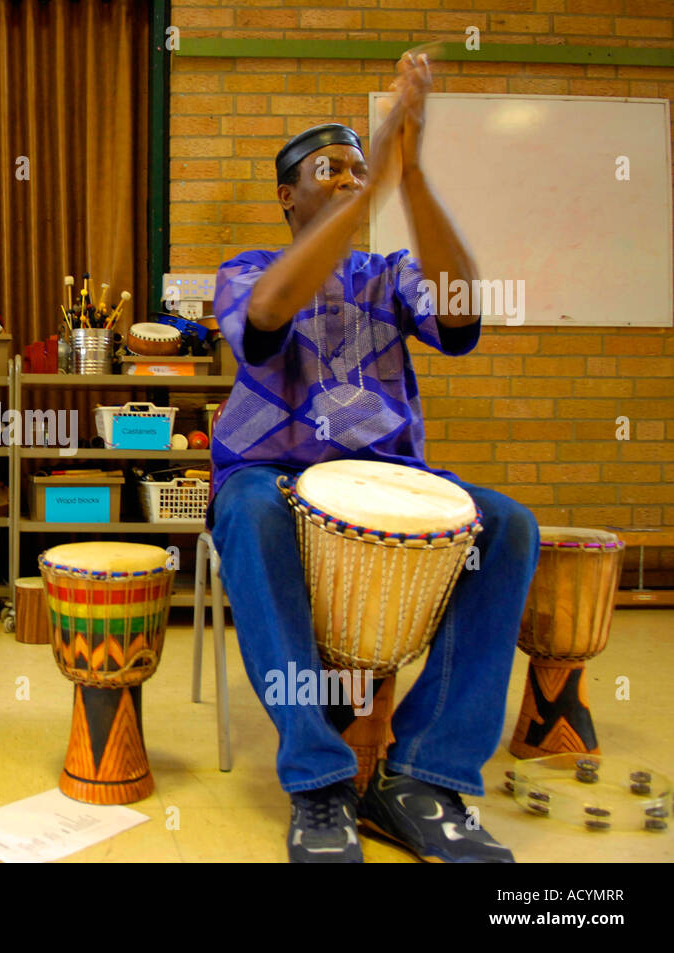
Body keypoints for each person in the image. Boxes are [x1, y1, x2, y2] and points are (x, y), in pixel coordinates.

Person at [209, 53, 539, 862]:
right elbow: (266, 321)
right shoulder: (248, 269)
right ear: (288, 194)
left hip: (389, 480)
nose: (353, 177)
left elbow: (460, 318)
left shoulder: (389, 276)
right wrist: (366, 192)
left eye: (362, 165)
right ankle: (319, 783)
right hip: (273, 477)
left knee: (508, 525)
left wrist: (412, 173)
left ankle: (425, 774)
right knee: (250, 510)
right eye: (332, 169)